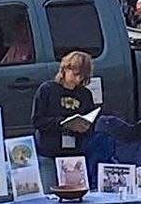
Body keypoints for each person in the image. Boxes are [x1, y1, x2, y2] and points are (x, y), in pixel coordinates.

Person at [32, 51, 96, 191]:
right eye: (75, 74)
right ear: (65, 69)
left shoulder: (85, 94)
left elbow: (91, 124)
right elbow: (37, 121)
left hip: (74, 155)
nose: (77, 79)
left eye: (82, 76)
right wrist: (62, 123)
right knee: (48, 194)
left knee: (74, 196)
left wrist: (85, 127)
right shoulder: (47, 90)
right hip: (48, 151)